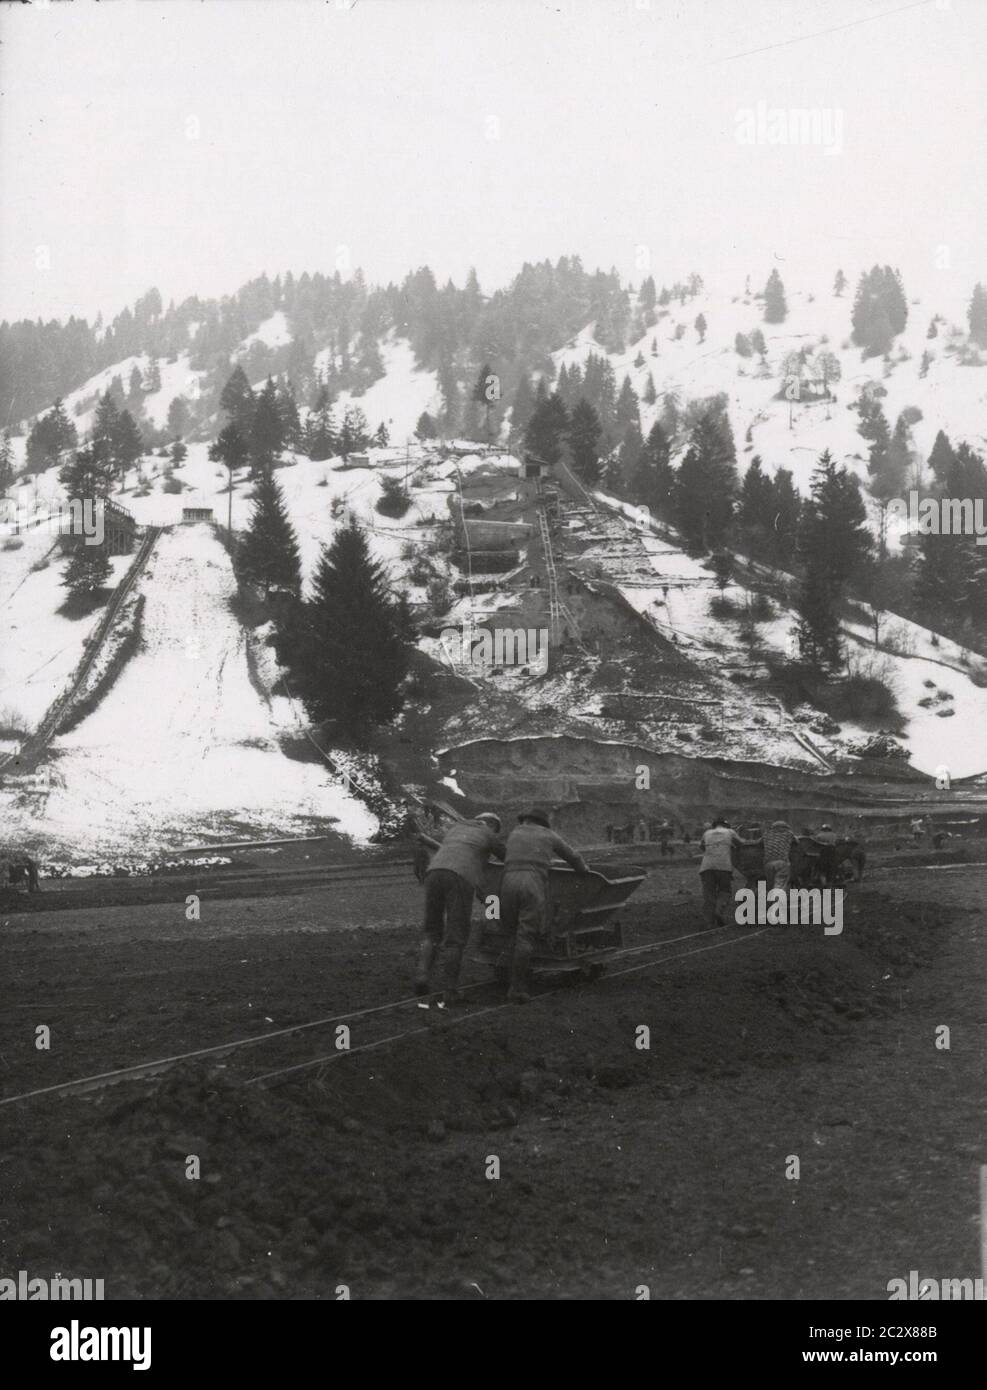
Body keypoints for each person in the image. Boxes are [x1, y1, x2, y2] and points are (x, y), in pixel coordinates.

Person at [500, 809, 591, 1004]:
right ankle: (516, 989)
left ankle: (509, 979)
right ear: (543, 823)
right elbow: (573, 857)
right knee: (526, 935)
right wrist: (584, 871)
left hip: (506, 882)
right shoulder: (548, 834)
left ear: (526, 820)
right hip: (531, 882)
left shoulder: (514, 832)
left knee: (511, 933)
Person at [416, 812, 505, 1008]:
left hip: (433, 873)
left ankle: (422, 976)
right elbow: (506, 858)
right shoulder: (488, 833)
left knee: (432, 930)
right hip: (459, 878)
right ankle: (450, 990)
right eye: (496, 830)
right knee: (456, 935)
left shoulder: (455, 830)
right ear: (491, 824)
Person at [698, 816, 746, 927]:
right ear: (725, 825)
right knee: (724, 891)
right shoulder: (730, 832)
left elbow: (701, 847)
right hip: (724, 866)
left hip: (706, 867)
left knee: (708, 894)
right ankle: (718, 910)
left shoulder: (707, 833)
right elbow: (741, 844)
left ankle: (709, 922)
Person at [762, 819, 796, 889]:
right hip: (782, 862)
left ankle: (770, 897)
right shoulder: (788, 834)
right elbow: (797, 841)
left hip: (768, 864)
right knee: (779, 884)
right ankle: (777, 898)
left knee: (771, 885)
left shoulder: (766, 834)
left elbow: (759, 842)